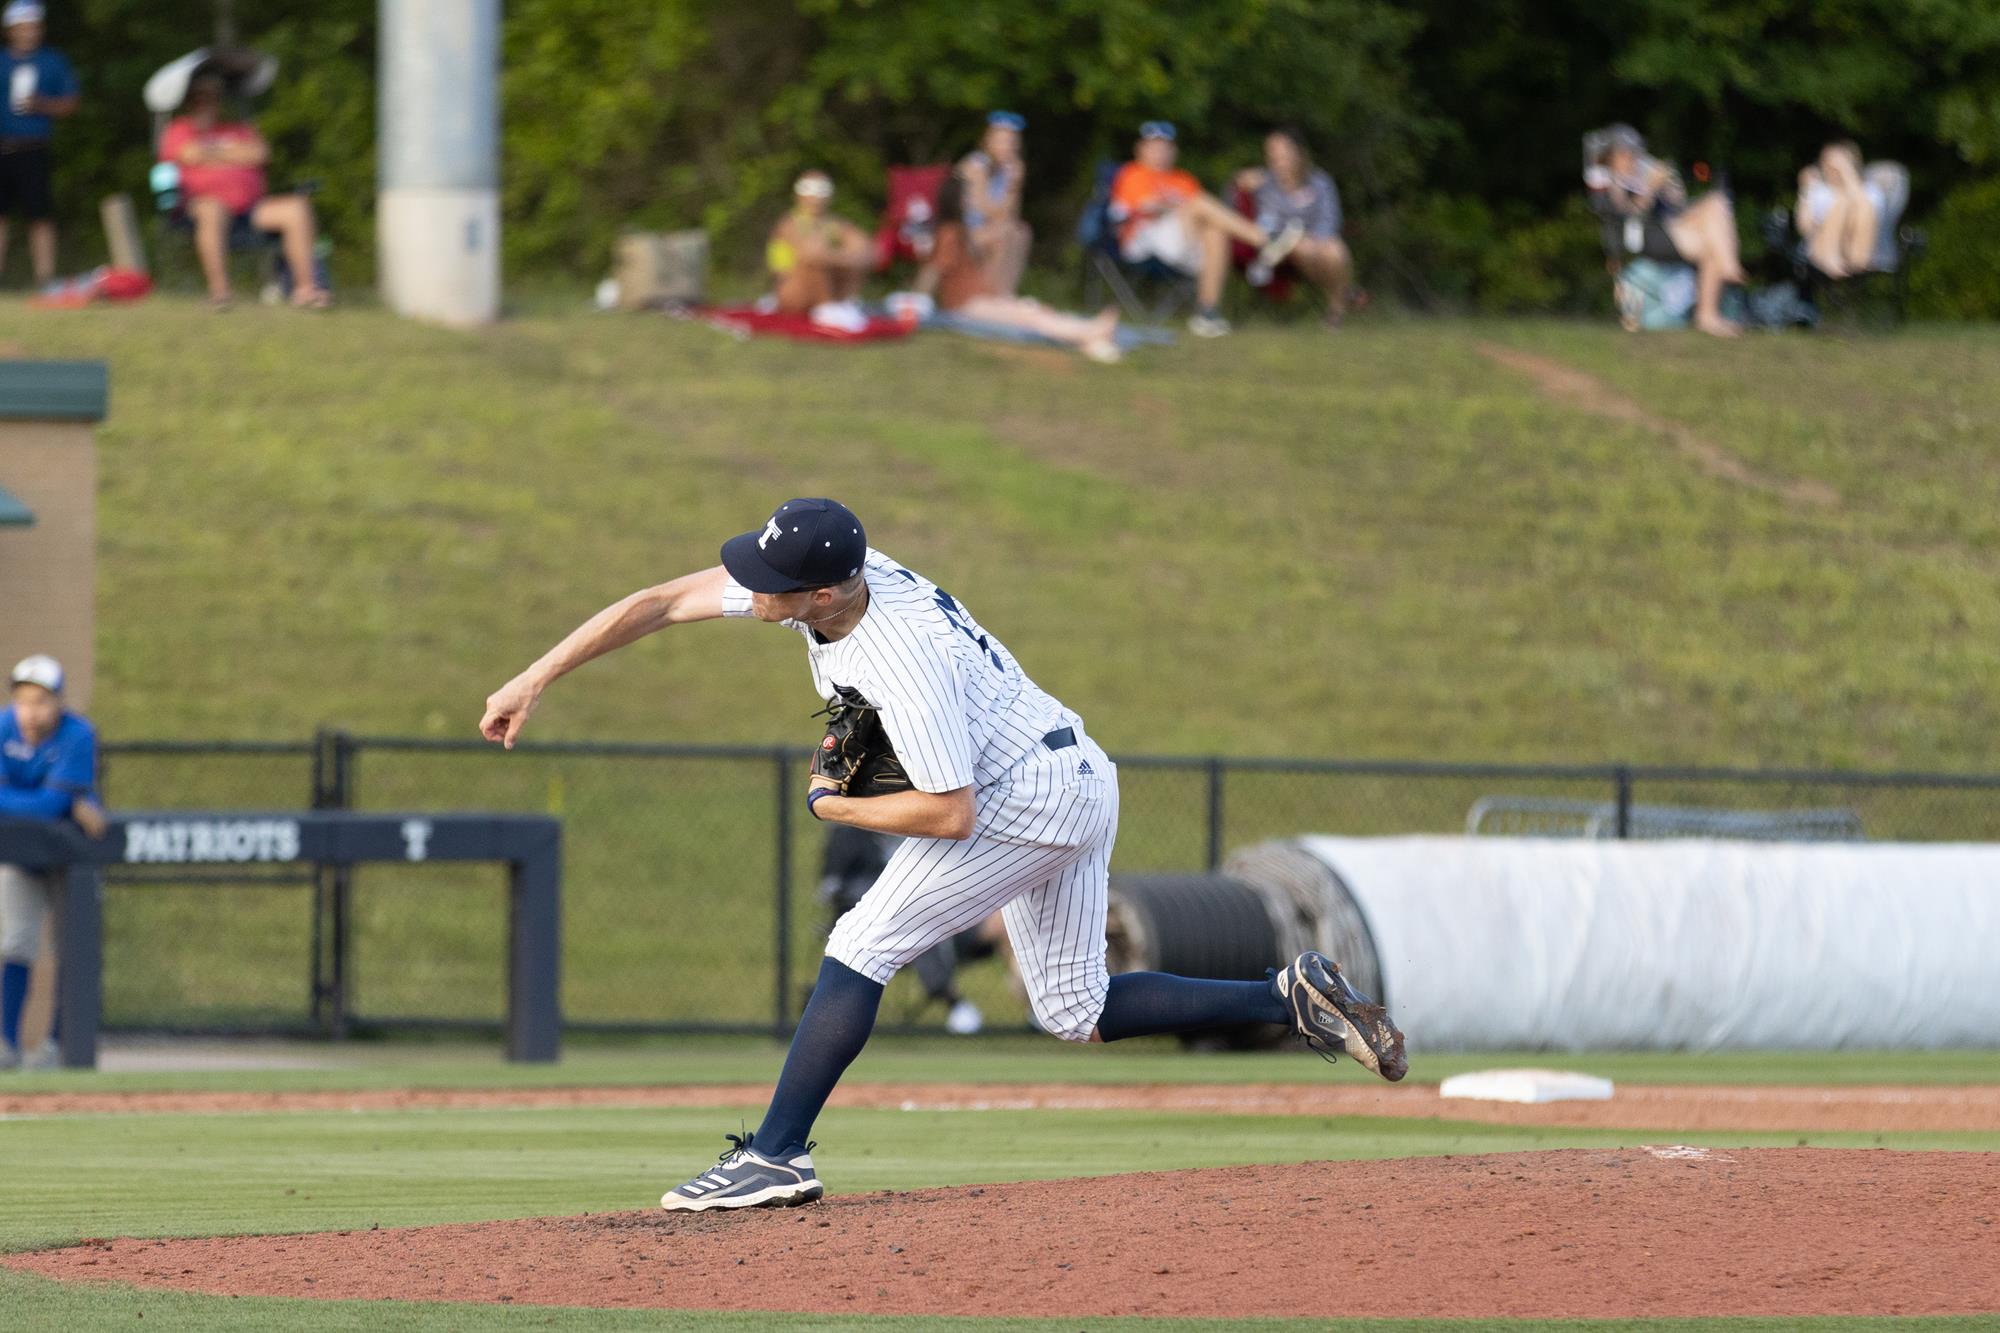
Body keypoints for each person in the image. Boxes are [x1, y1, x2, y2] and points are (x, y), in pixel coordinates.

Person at [479, 497, 1409, 1212]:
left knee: (862, 940)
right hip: (1072, 768)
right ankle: (1290, 995)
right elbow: (660, 601)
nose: (752, 588)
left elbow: (952, 812)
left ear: (827, 591)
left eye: (773, 579)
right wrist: (534, 676)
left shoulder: (898, 659)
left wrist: (834, 804)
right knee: (1074, 1008)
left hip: (1023, 797)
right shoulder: (844, 576)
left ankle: (775, 1153)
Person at [1, 654, 105, 1071]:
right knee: (14, 943)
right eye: (25, 700)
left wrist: (41, 803)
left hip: (70, 857)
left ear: (59, 701)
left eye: (42, 700)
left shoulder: (78, 734)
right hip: (16, 854)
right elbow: (55, 804)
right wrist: (64, 804)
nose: (32, 710)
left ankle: (58, 1046)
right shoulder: (3, 727)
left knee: (74, 948)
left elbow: (51, 804)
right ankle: (5, 1045)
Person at [1110, 121, 1303, 338]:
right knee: (1197, 203)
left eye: (1165, 146)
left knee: (1216, 232)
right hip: (1143, 241)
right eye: (1154, 146)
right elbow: (1145, 207)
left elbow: (1202, 215)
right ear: (1141, 149)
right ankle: (1263, 239)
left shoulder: (1183, 179)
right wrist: (1179, 205)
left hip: (1184, 246)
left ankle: (1206, 314)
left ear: (1174, 151)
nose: (1160, 151)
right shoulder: (1133, 174)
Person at [157, 72, 329, 311]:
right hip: (201, 208)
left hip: (250, 209)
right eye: (201, 97)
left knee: (297, 208)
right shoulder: (178, 130)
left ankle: (307, 290)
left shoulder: (238, 129)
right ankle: (221, 292)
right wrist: (233, 154)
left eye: (213, 97)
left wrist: (211, 154)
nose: (207, 102)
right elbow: (190, 154)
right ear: (190, 100)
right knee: (211, 209)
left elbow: (259, 154)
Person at [921, 174, 1122, 361]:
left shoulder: (960, 232)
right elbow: (934, 269)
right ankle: (1088, 333)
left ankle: (1089, 332)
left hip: (981, 300)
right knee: (1026, 317)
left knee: (1032, 308)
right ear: (957, 199)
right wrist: (916, 300)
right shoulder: (950, 233)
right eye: (968, 195)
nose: (972, 200)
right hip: (968, 306)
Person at [816, 823, 988, 1035]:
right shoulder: (849, 832)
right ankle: (953, 1002)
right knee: (917, 932)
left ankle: (962, 1004)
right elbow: (831, 886)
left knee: (924, 925)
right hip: (869, 918)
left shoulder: (907, 825)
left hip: (925, 909)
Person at [1587, 124, 1744, 337]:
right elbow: (1628, 218)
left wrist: (1669, 185)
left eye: (1633, 152)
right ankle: (1724, 274)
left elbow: (1678, 206)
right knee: (1712, 234)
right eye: (1624, 152)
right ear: (1611, 156)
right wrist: (1650, 188)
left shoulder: (1643, 172)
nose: (1631, 157)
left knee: (1716, 204)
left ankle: (1709, 313)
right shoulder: (1605, 181)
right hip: (1640, 237)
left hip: (1664, 229)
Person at [1234, 127, 1354, 327]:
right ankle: (1345, 294)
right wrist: (1240, 181)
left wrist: (1315, 239)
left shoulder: (1321, 182)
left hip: (1321, 242)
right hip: (1282, 249)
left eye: (1284, 153)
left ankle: (1336, 310)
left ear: (1298, 153)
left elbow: (1330, 220)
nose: (1278, 159)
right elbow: (1264, 223)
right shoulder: (1264, 184)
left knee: (1336, 251)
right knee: (1301, 246)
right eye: (1272, 153)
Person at [0, 1, 78, 287]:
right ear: (10, 30)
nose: (28, 33)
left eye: (33, 27)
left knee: (40, 215)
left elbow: (70, 104)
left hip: (34, 147)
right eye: (22, 27)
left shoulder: (53, 61)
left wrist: (42, 104)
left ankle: (45, 279)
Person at [766, 171, 871, 316]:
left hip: (826, 285)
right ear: (798, 195)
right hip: (792, 290)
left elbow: (866, 250)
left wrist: (838, 257)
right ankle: (827, 309)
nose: (815, 198)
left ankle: (839, 305)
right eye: (809, 190)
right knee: (813, 264)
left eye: (822, 190)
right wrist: (845, 257)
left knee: (851, 267)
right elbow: (810, 255)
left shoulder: (834, 223)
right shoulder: (789, 223)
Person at [954, 110, 1031, 297]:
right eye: (1002, 141)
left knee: (1020, 232)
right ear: (989, 141)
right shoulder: (975, 166)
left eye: (1011, 142)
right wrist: (1010, 191)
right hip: (963, 231)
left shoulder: (1011, 171)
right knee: (1006, 233)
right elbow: (983, 209)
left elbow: (1011, 215)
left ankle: (1004, 292)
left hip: (988, 229)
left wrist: (1013, 186)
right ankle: (989, 295)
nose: (1007, 147)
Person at [1796, 140, 1882, 279]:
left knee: (1861, 206)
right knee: (1842, 202)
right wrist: (1805, 192)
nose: (1830, 168)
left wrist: (1847, 175)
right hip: (1819, 253)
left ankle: (1854, 265)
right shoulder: (1818, 191)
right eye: (1825, 163)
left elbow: (1869, 216)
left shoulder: (1869, 191)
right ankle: (1832, 260)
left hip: (1856, 252)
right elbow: (1805, 228)